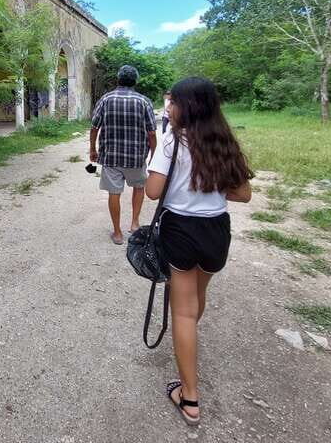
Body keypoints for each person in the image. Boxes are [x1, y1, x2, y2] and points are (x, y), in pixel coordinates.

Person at [145, 76, 253, 426]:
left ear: (183, 106)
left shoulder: (171, 140)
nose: (168, 107)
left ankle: (189, 397)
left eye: (171, 101)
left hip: (181, 228)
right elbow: (242, 194)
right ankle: (186, 337)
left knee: (183, 311)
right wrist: (210, 189)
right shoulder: (224, 141)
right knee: (195, 301)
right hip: (216, 230)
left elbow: (151, 191)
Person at [90, 65, 157, 245]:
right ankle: (134, 223)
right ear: (135, 81)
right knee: (139, 187)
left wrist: (92, 149)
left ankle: (118, 233)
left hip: (111, 157)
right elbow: (151, 133)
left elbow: (94, 127)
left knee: (114, 192)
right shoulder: (144, 101)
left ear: (118, 80)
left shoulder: (106, 99)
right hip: (136, 157)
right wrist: (153, 155)